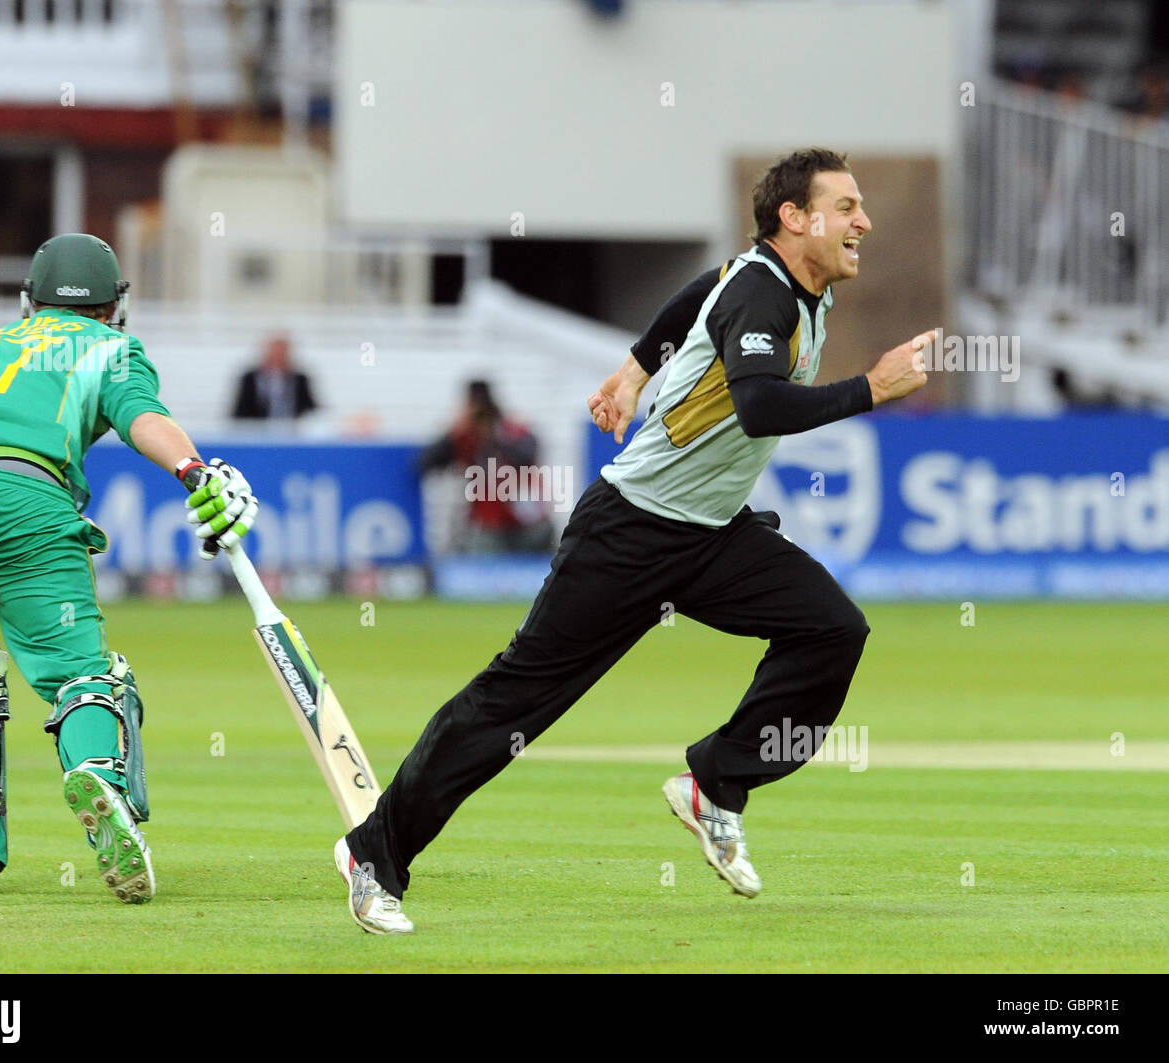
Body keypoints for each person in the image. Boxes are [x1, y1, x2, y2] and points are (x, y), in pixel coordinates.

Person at [333, 148, 933, 933]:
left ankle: (715, 781)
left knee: (831, 628)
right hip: (630, 532)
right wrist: (871, 389)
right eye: (847, 205)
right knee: (515, 703)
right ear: (796, 218)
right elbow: (757, 405)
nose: (866, 221)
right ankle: (374, 854)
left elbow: (695, 294)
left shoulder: (772, 279)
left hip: (712, 533)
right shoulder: (765, 295)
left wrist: (632, 370)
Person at [0, 233, 259, 902]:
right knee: (81, 673)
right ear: (115, 304)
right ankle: (98, 780)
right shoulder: (110, 348)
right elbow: (144, 416)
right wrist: (195, 470)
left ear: (29, 301)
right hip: (25, 495)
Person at [419, 379, 554, 553]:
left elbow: (527, 455)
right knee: (478, 546)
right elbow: (426, 463)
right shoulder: (464, 438)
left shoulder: (515, 432)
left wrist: (495, 436)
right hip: (489, 529)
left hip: (526, 524)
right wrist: (455, 430)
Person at [231, 333, 318, 420]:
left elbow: (310, 409)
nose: (278, 357)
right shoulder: (250, 378)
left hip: (292, 428)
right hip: (258, 428)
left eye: (282, 353)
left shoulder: (300, 379)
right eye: (275, 353)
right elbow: (240, 410)